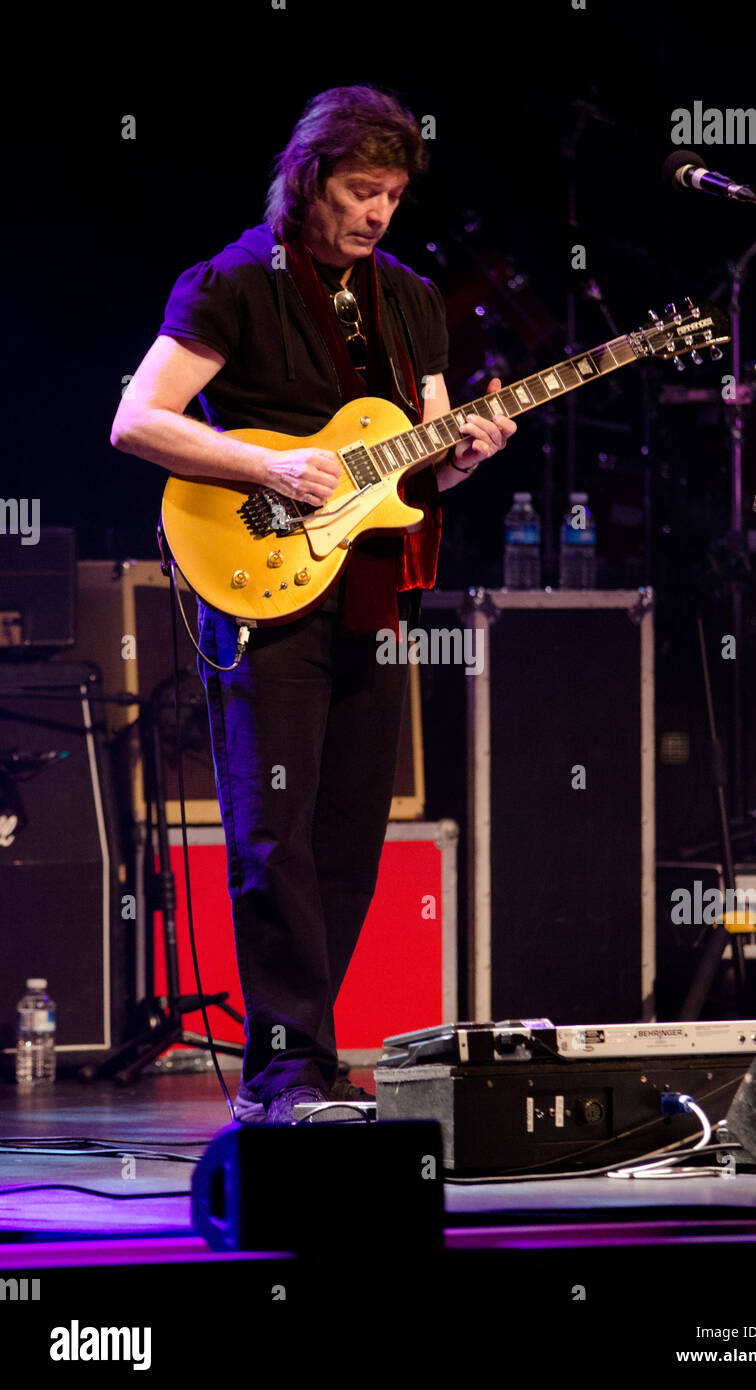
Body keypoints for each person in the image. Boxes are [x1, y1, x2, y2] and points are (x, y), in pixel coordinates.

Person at [110, 84, 515, 1124]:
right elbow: (138, 421)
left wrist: (466, 453)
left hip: (372, 594)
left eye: (390, 195)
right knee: (271, 832)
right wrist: (271, 466)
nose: (377, 212)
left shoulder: (411, 299)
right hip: (261, 579)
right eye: (359, 189)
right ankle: (281, 1069)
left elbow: (414, 471)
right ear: (309, 182)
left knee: (347, 837)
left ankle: (311, 1055)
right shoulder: (233, 283)